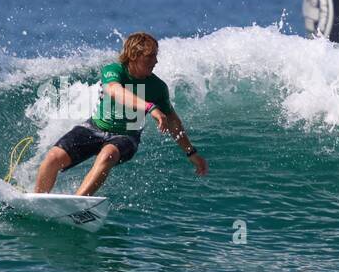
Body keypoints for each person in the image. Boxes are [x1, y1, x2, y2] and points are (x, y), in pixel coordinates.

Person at [34, 32, 208, 196]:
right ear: (134, 55)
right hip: (94, 127)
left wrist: (191, 152)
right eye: (150, 56)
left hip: (127, 136)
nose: (156, 61)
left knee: (107, 154)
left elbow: (173, 122)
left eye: (156, 55)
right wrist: (150, 107)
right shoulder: (114, 70)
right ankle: (37, 200)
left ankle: (78, 203)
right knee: (53, 157)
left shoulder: (157, 87)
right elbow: (114, 91)